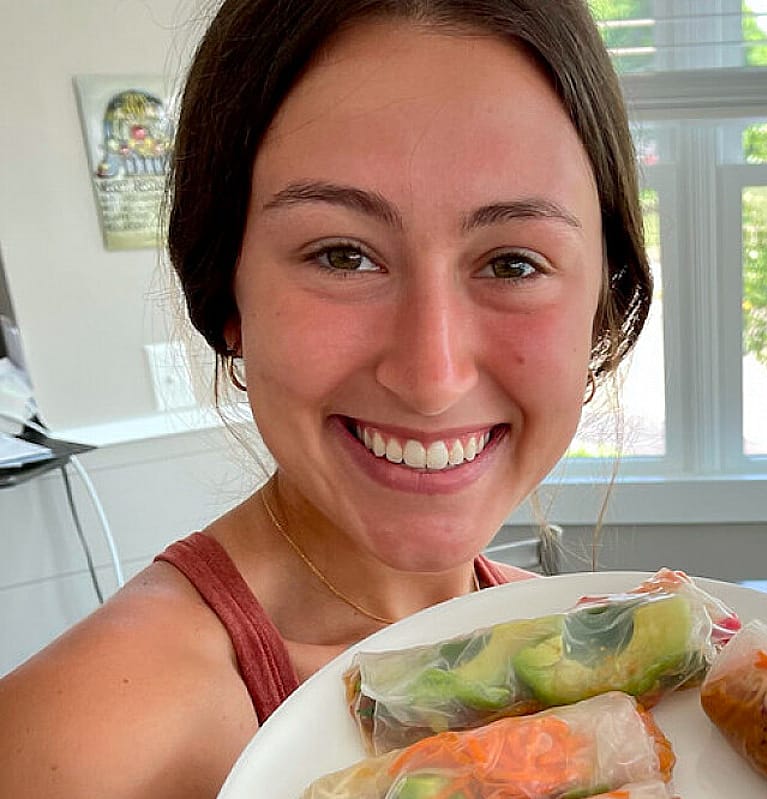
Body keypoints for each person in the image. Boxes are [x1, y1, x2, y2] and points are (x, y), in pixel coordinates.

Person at [0, 1, 651, 796]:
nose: (432, 374)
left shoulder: (576, 649)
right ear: (228, 296)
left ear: (601, 304)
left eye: (513, 262)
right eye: (342, 255)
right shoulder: (78, 745)